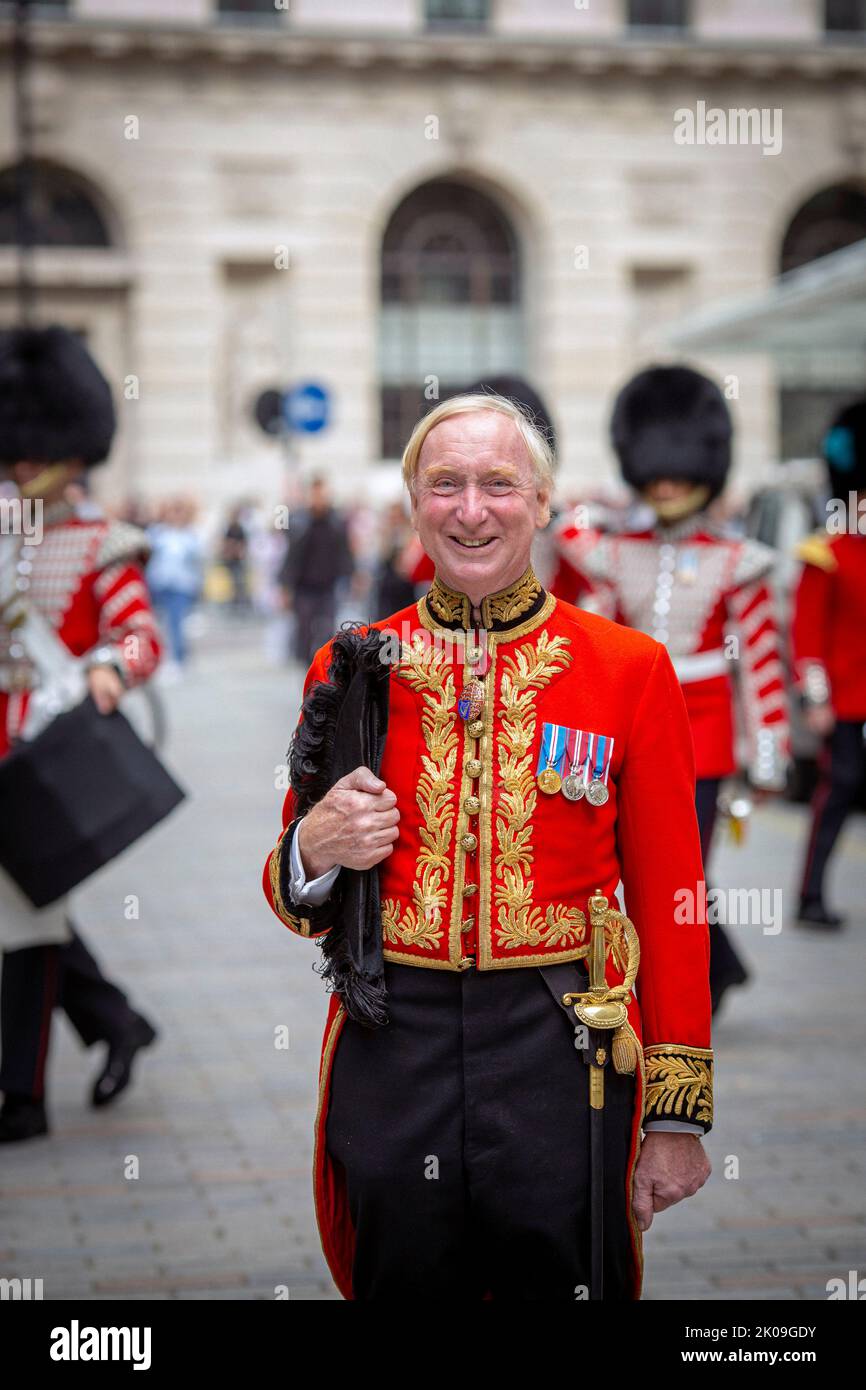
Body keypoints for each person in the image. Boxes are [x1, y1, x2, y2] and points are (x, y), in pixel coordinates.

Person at [263, 393, 713, 1302]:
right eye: (446, 485)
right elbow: (292, 895)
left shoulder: (629, 669)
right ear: (414, 505)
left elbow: (673, 899)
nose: (472, 510)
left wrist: (675, 1115)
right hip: (393, 1038)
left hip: (560, 1046)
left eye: (499, 485)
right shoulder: (350, 665)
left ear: (543, 503)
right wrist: (312, 845)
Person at [552, 365, 791, 1015]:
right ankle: (714, 968)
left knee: (684, 869)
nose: (665, 484)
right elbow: (591, 628)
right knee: (633, 865)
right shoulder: (616, 549)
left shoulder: (739, 560)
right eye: (653, 472)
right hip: (632, 728)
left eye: (677, 473)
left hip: (707, 732)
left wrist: (766, 753)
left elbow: (761, 664)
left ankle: (694, 986)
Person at [0, 325, 161, 1143]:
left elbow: (139, 636)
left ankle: (21, 1097)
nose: (21, 467)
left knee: (26, 918)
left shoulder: (101, 541)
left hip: (49, 759)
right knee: (27, 908)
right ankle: (115, 1022)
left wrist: (107, 669)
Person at [792, 398, 866, 929]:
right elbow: (807, 637)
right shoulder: (826, 553)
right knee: (836, 795)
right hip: (844, 700)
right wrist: (815, 699)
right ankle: (810, 894)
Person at [277, 476, 354, 666]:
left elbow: (345, 552)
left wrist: (352, 576)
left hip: (328, 586)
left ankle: (325, 667)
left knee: (328, 628)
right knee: (304, 630)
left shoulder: (337, 521)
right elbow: (291, 556)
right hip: (304, 587)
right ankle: (306, 666)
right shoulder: (299, 521)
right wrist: (285, 587)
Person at [146, 496, 203, 668]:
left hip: (181, 585)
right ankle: (163, 657)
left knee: (177, 622)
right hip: (159, 583)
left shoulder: (190, 536)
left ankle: (178, 658)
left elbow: (197, 561)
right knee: (160, 624)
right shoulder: (157, 533)